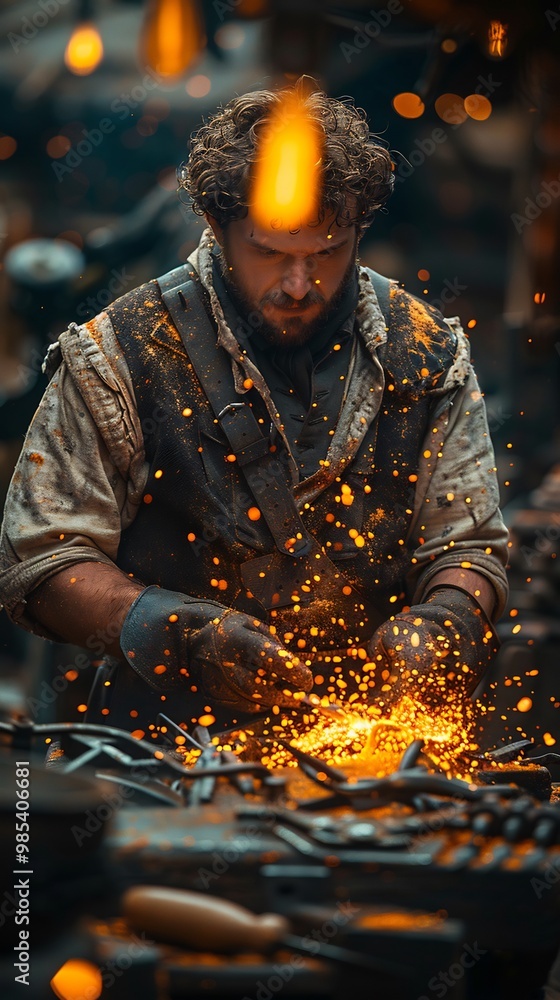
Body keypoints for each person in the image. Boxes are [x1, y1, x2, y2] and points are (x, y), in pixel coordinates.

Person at [0, 82, 508, 738]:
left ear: (359, 225)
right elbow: (41, 559)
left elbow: (468, 545)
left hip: (377, 746)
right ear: (215, 226)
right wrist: (182, 635)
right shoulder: (118, 355)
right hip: (164, 751)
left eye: (326, 252)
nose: (300, 285)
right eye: (270, 253)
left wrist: (447, 618)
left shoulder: (427, 350)